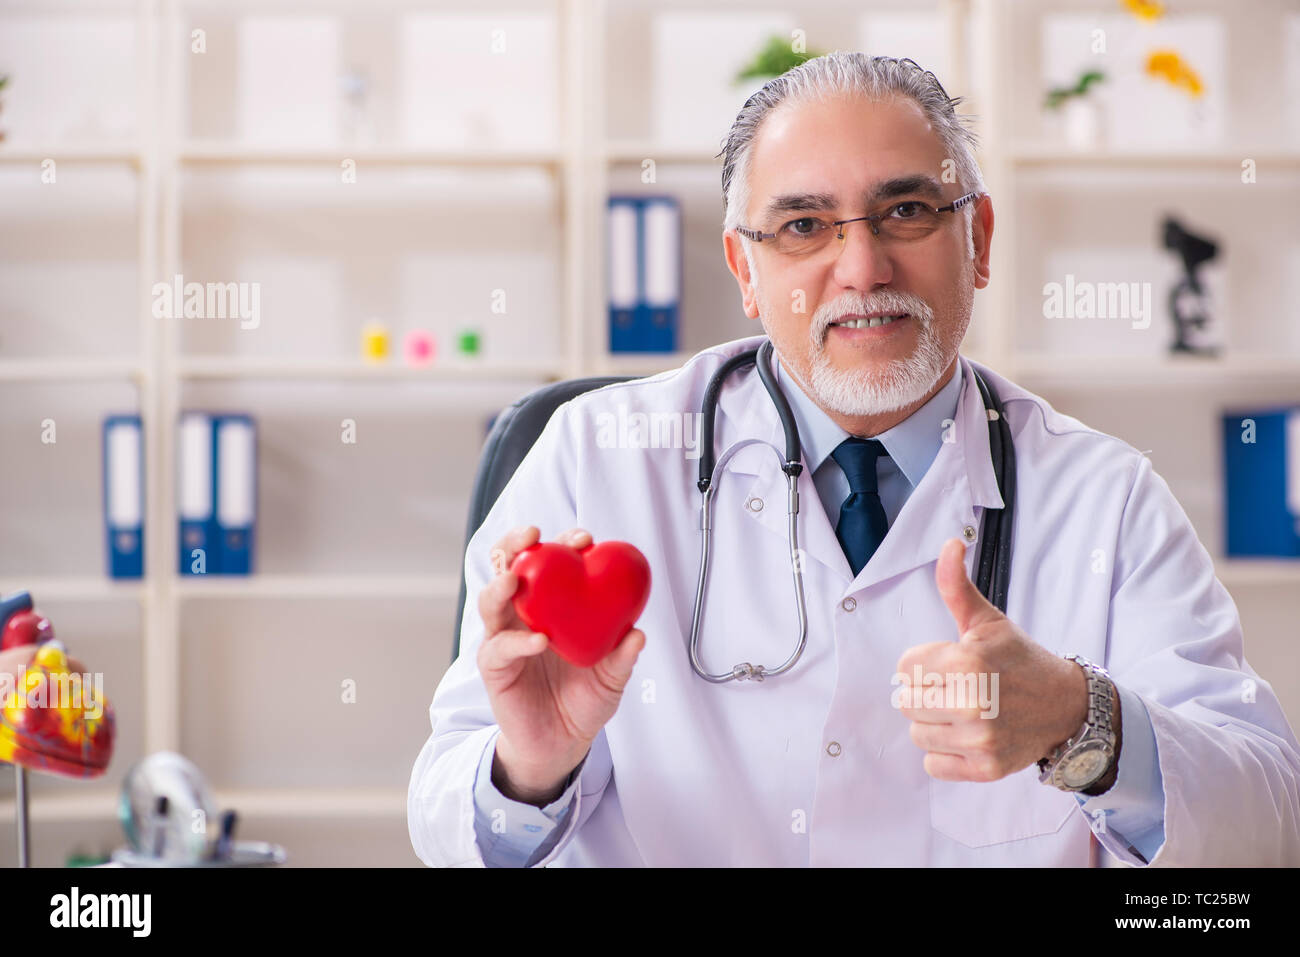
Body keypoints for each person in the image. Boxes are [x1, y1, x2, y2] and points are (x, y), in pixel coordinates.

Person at [407, 53, 1300, 867]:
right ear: (744, 270)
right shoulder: (594, 458)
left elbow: (1269, 820)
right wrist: (530, 766)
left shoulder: (1106, 499)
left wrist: (1082, 721)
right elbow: (446, 817)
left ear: (980, 240)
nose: (863, 267)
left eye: (906, 211)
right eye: (803, 224)